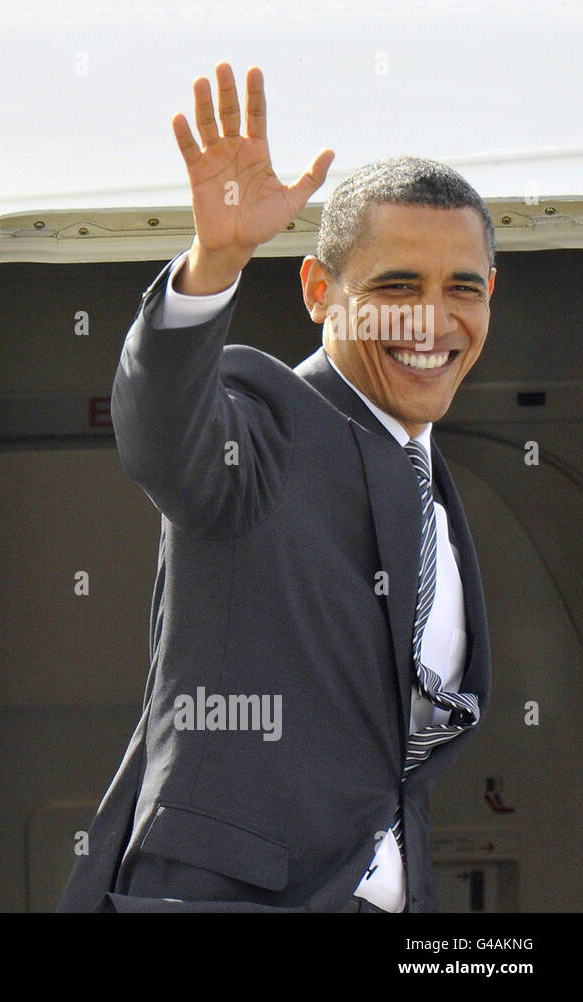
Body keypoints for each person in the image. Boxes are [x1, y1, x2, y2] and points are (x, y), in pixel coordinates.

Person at [57, 62, 494, 912]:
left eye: (461, 291)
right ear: (318, 289)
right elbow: (163, 434)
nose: (429, 323)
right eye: (396, 287)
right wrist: (213, 262)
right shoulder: (268, 420)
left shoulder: (433, 486)